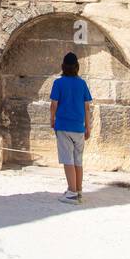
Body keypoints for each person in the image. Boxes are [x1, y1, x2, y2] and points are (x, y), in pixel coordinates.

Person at [50, 52, 93, 203]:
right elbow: (87, 107)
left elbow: (54, 104)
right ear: (77, 67)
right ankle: (78, 189)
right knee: (78, 160)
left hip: (64, 125)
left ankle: (72, 192)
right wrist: (88, 127)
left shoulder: (58, 83)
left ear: (63, 66)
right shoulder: (82, 84)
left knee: (67, 159)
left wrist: (52, 119)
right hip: (79, 127)